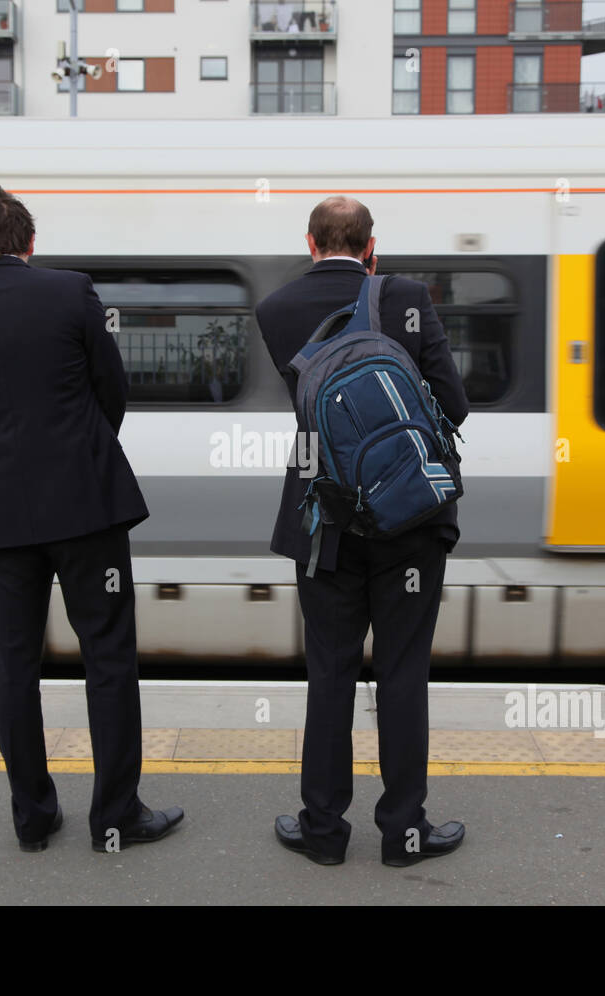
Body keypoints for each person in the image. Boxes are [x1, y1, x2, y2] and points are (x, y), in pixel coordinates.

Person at [0, 185, 183, 854]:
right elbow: (111, 388)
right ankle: (117, 816)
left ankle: (33, 818)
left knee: (14, 664)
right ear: (30, 244)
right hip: (86, 507)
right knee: (109, 658)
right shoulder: (70, 292)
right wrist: (83, 451)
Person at [255, 196, 469, 867]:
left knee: (330, 674)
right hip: (409, 519)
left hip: (325, 525)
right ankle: (405, 833)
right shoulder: (404, 295)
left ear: (310, 243)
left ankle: (323, 831)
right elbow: (454, 405)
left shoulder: (275, 309)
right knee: (403, 674)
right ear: (371, 247)